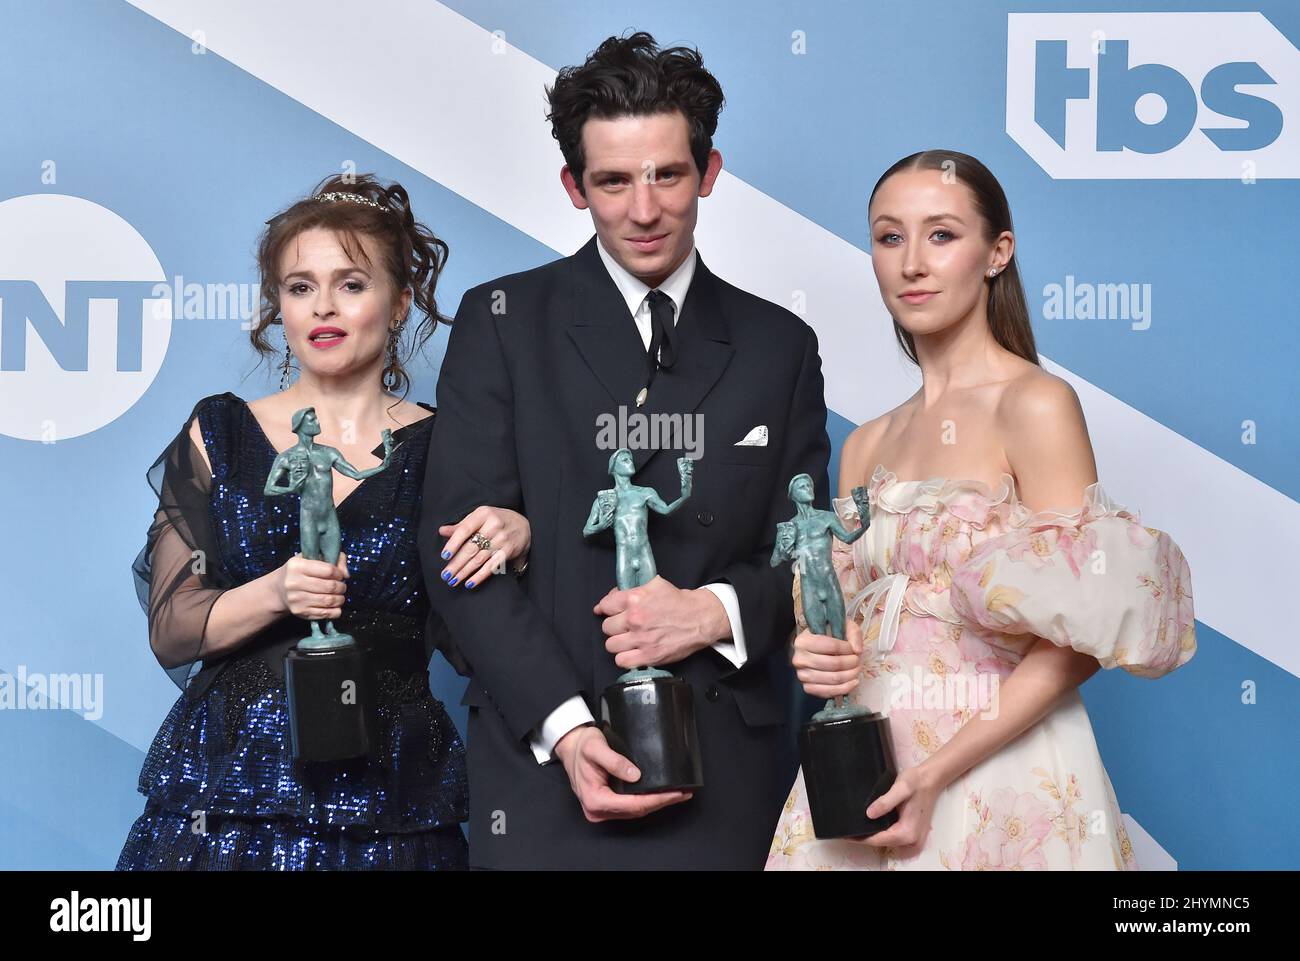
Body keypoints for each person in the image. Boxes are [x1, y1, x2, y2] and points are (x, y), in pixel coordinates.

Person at [420, 33, 831, 870]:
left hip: (729, 778)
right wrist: (567, 728)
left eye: (668, 175)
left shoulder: (779, 344)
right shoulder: (501, 321)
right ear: (575, 187)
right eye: (612, 181)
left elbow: (806, 549)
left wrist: (715, 610)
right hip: (545, 772)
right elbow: (458, 561)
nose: (644, 210)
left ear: (709, 173)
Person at [766, 150, 1197, 870]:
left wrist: (934, 775)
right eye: (888, 236)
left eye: (941, 235)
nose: (911, 263)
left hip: (996, 771)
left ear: (997, 252)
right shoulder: (866, 441)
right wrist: (813, 650)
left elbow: (1078, 642)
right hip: (864, 772)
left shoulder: (1035, 404)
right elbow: (847, 623)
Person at [116, 174, 532, 870]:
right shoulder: (218, 431)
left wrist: (518, 539)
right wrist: (277, 592)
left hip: (392, 799)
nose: (323, 307)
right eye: (300, 286)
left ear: (399, 303)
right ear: (278, 305)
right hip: (228, 799)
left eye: (351, 283)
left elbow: (479, 643)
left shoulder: (451, 446)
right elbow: (173, 627)